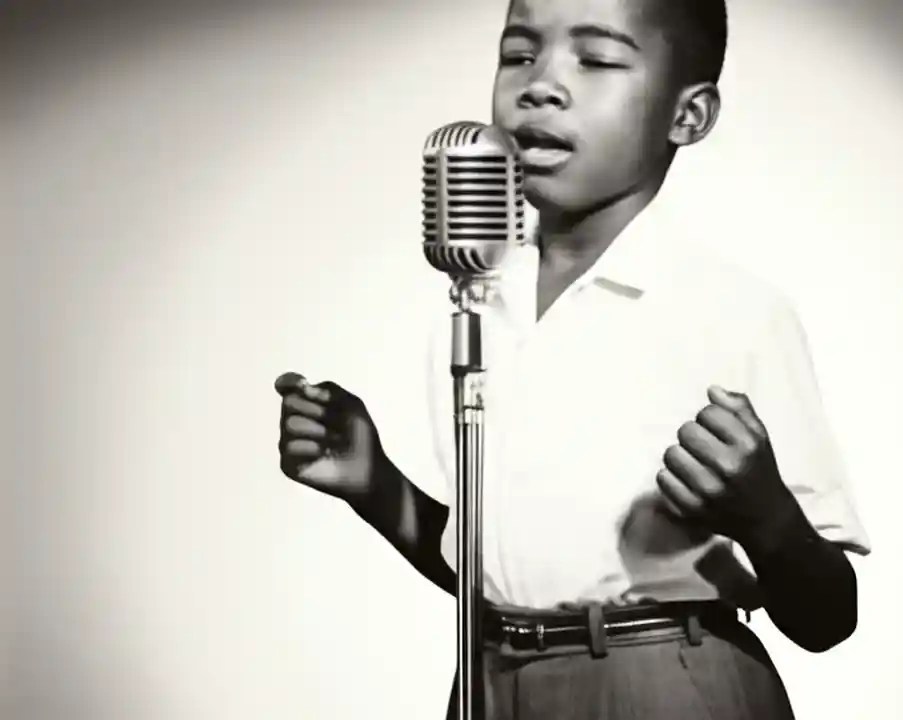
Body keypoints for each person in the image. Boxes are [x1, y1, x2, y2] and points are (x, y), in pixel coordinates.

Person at [274, 0, 870, 717]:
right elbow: (511, 580)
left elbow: (828, 618)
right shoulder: (477, 304)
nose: (541, 85)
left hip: (668, 684)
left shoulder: (733, 313)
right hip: (490, 678)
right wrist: (377, 487)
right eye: (520, 55)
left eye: (597, 60)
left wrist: (767, 515)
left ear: (689, 115)